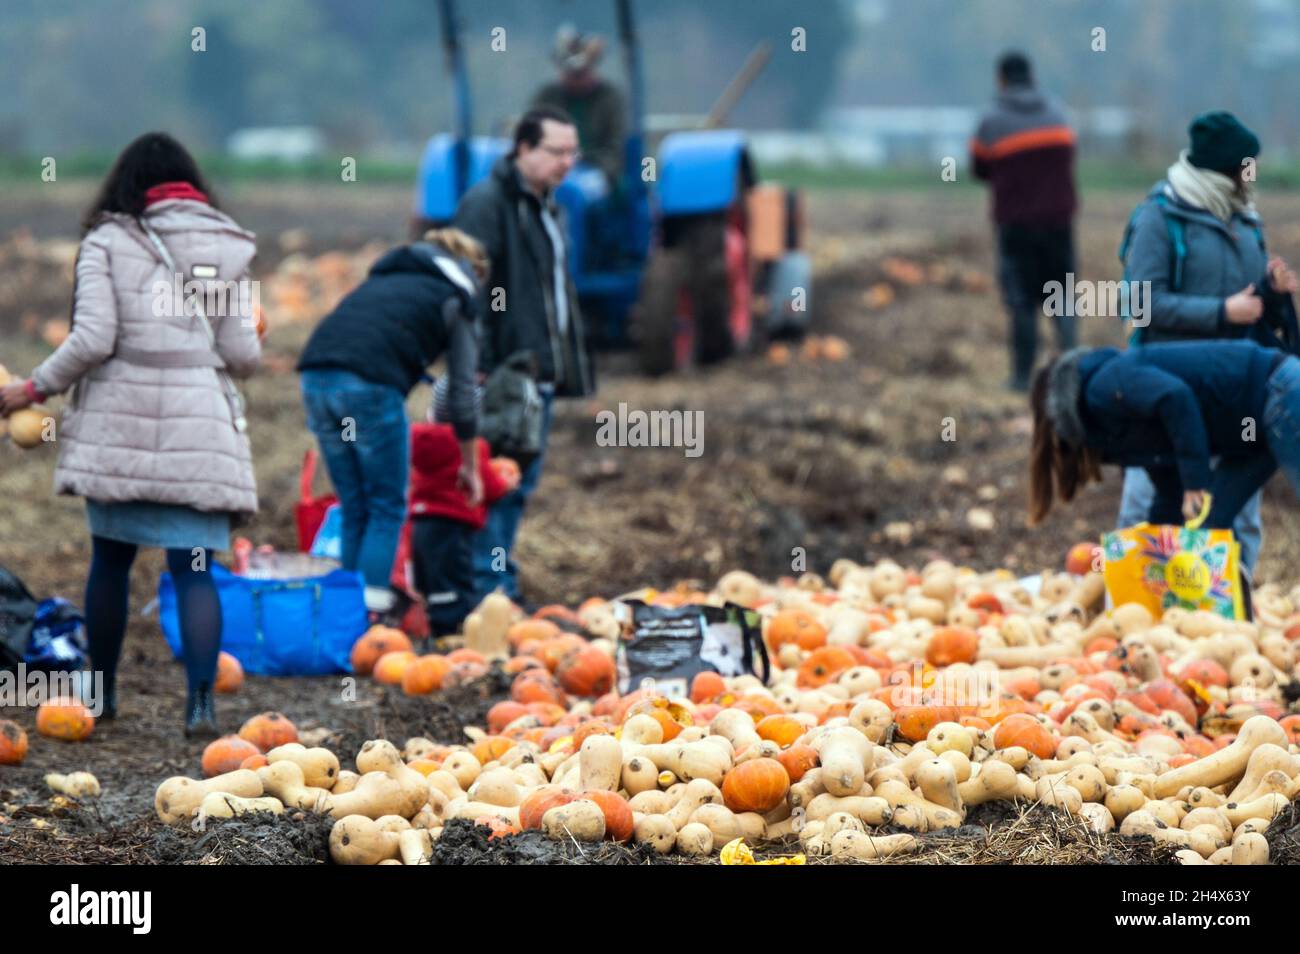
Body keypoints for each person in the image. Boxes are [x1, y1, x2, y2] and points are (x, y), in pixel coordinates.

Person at [0, 132, 261, 737]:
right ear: (191, 182)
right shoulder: (226, 244)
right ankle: (200, 706)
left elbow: (92, 339)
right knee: (195, 568)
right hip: (200, 426)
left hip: (119, 417)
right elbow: (243, 356)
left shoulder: (108, 240)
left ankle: (106, 694)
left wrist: (32, 390)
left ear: (126, 183)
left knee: (111, 563)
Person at [1115, 110, 1299, 576]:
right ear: (1224, 169)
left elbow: (1250, 300)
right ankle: (1135, 602)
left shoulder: (1246, 220)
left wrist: (1272, 293)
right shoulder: (1160, 218)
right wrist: (1219, 312)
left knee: (1239, 514)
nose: (1252, 175)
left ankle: (1233, 609)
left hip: (1235, 384)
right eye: (1246, 166)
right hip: (1164, 381)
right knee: (1148, 506)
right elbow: (1140, 302)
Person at [296, 229, 486, 619]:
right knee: (385, 506)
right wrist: (469, 463)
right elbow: (463, 392)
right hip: (369, 386)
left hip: (315, 377)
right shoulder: (455, 296)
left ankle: (342, 618)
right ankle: (369, 618)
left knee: (354, 505)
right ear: (469, 268)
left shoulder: (380, 282)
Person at [455, 106, 595, 602]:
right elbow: (467, 289)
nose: (566, 162)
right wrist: (478, 365)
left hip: (536, 372)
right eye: (556, 151)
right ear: (523, 150)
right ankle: (486, 594)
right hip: (503, 373)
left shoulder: (548, 208)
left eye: (572, 152)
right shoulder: (489, 204)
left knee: (518, 485)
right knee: (498, 486)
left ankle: (498, 587)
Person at [1028, 342, 1300, 539]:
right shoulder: (1116, 430)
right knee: (1209, 526)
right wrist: (1152, 542)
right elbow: (1168, 486)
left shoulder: (1105, 383)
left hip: (1277, 391)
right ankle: (1228, 612)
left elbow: (1176, 397)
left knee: (1208, 518)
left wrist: (1195, 483)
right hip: (1249, 429)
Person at [971, 51, 1078, 392]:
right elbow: (1069, 158)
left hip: (1016, 225)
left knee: (1021, 301)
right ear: (1032, 76)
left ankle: (1020, 379)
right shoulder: (1059, 113)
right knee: (1061, 297)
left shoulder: (991, 120)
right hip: (1059, 222)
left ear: (1000, 79)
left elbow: (979, 168)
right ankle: (1072, 371)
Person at [407, 382, 517, 639]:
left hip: (420, 524)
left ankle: (430, 626)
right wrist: (506, 484)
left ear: (431, 413)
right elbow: (488, 488)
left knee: (431, 580)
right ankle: (452, 632)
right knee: (454, 581)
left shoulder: (416, 441)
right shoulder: (472, 447)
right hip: (452, 526)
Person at [530, 26, 626, 187]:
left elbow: (617, 148)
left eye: (580, 74)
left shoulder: (610, 99)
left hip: (600, 174)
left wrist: (600, 173)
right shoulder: (547, 98)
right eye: (569, 73)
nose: (574, 80)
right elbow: (532, 138)